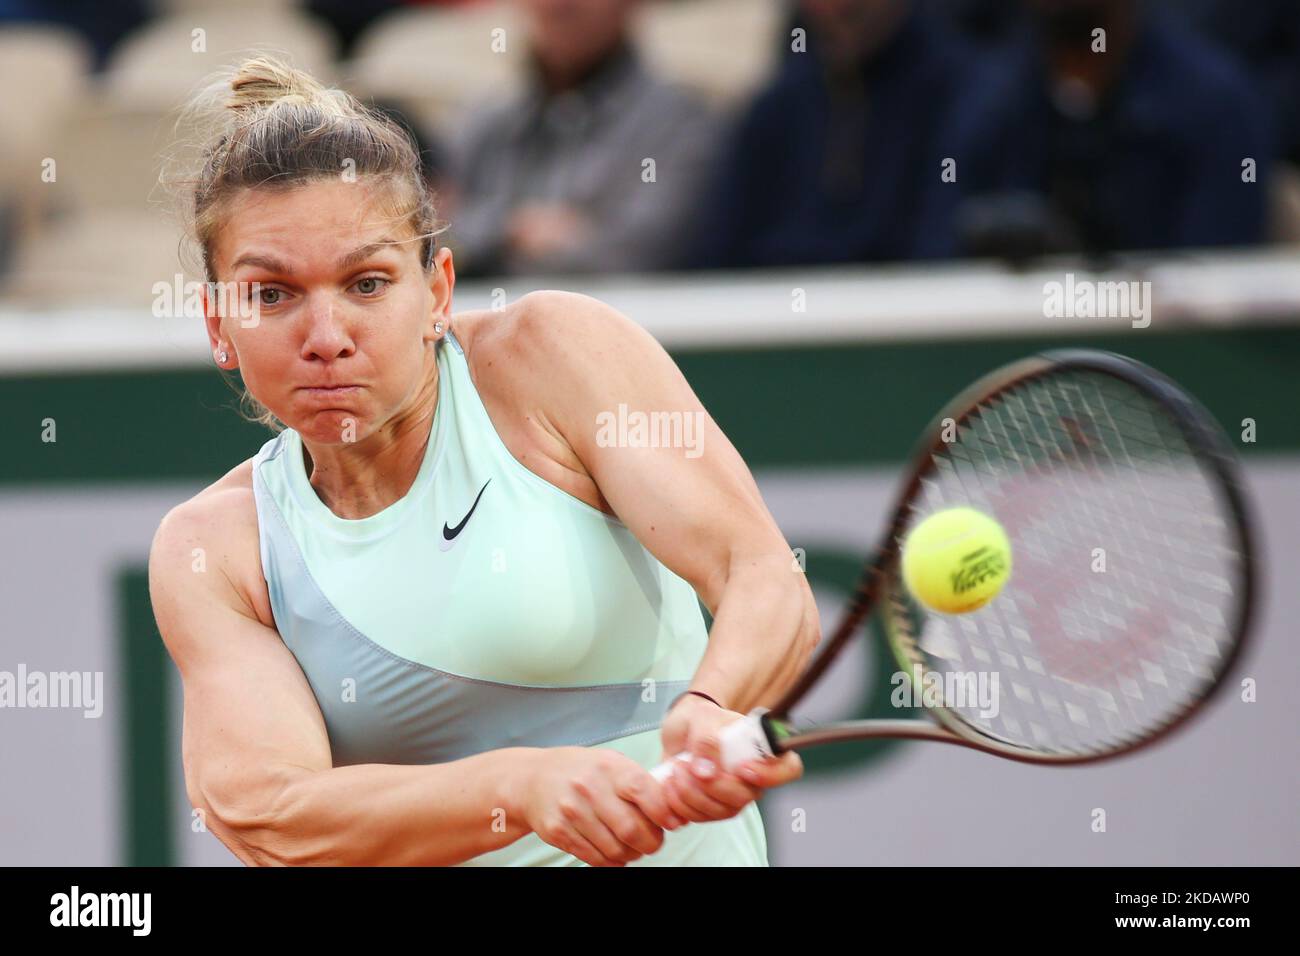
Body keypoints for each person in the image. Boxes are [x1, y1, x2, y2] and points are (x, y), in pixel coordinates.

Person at [148, 56, 814, 867]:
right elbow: (271, 815)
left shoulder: (552, 356)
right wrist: (520, 789)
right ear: (219, 327)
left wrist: (714, 705)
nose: (325, 337)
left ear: (437, 293)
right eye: (272, 295)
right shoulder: (215, 550)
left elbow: (761, 573)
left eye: (366, 283)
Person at [442, 0, 719, 276]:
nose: (560, 5)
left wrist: (486, 236)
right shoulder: (486, 121)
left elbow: (641, 255)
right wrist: (511, 230)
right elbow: (437, 240)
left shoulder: (680, 125)